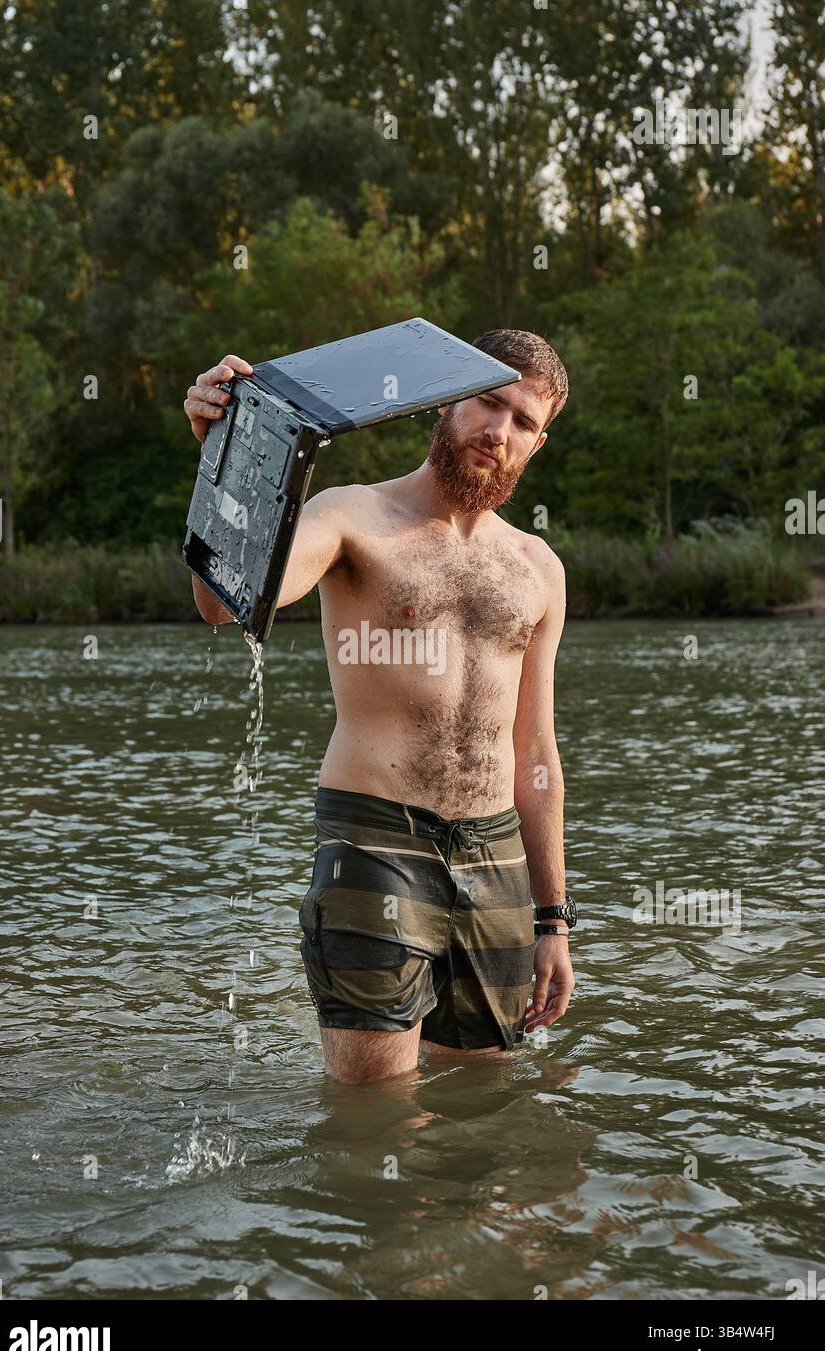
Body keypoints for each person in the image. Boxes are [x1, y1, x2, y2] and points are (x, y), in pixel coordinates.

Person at [183, 329, 576, 1084]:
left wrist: (553, 919)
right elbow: (218, 601)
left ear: (538, 441)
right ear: (446, 399)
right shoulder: (352, 517)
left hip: (495, 859)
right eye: (488, 402)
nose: (499, 430)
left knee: (482, 1103)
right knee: (374, 1116)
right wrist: (226, 454)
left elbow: (538, 755)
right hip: (376, 843)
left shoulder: (538, 568)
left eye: (523, 421)